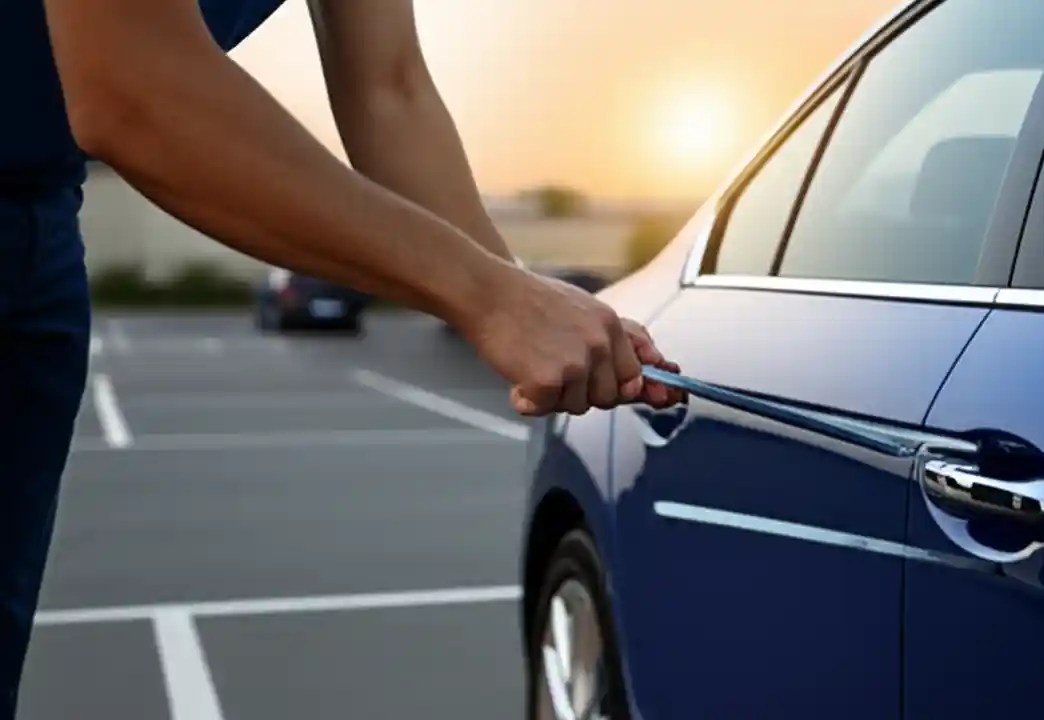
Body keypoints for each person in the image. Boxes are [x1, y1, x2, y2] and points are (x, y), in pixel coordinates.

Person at [1, 0, 682, 715]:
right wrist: (489, 298)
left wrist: (516, 297)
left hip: (37, 215)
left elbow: (389, 88)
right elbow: (133, 84)